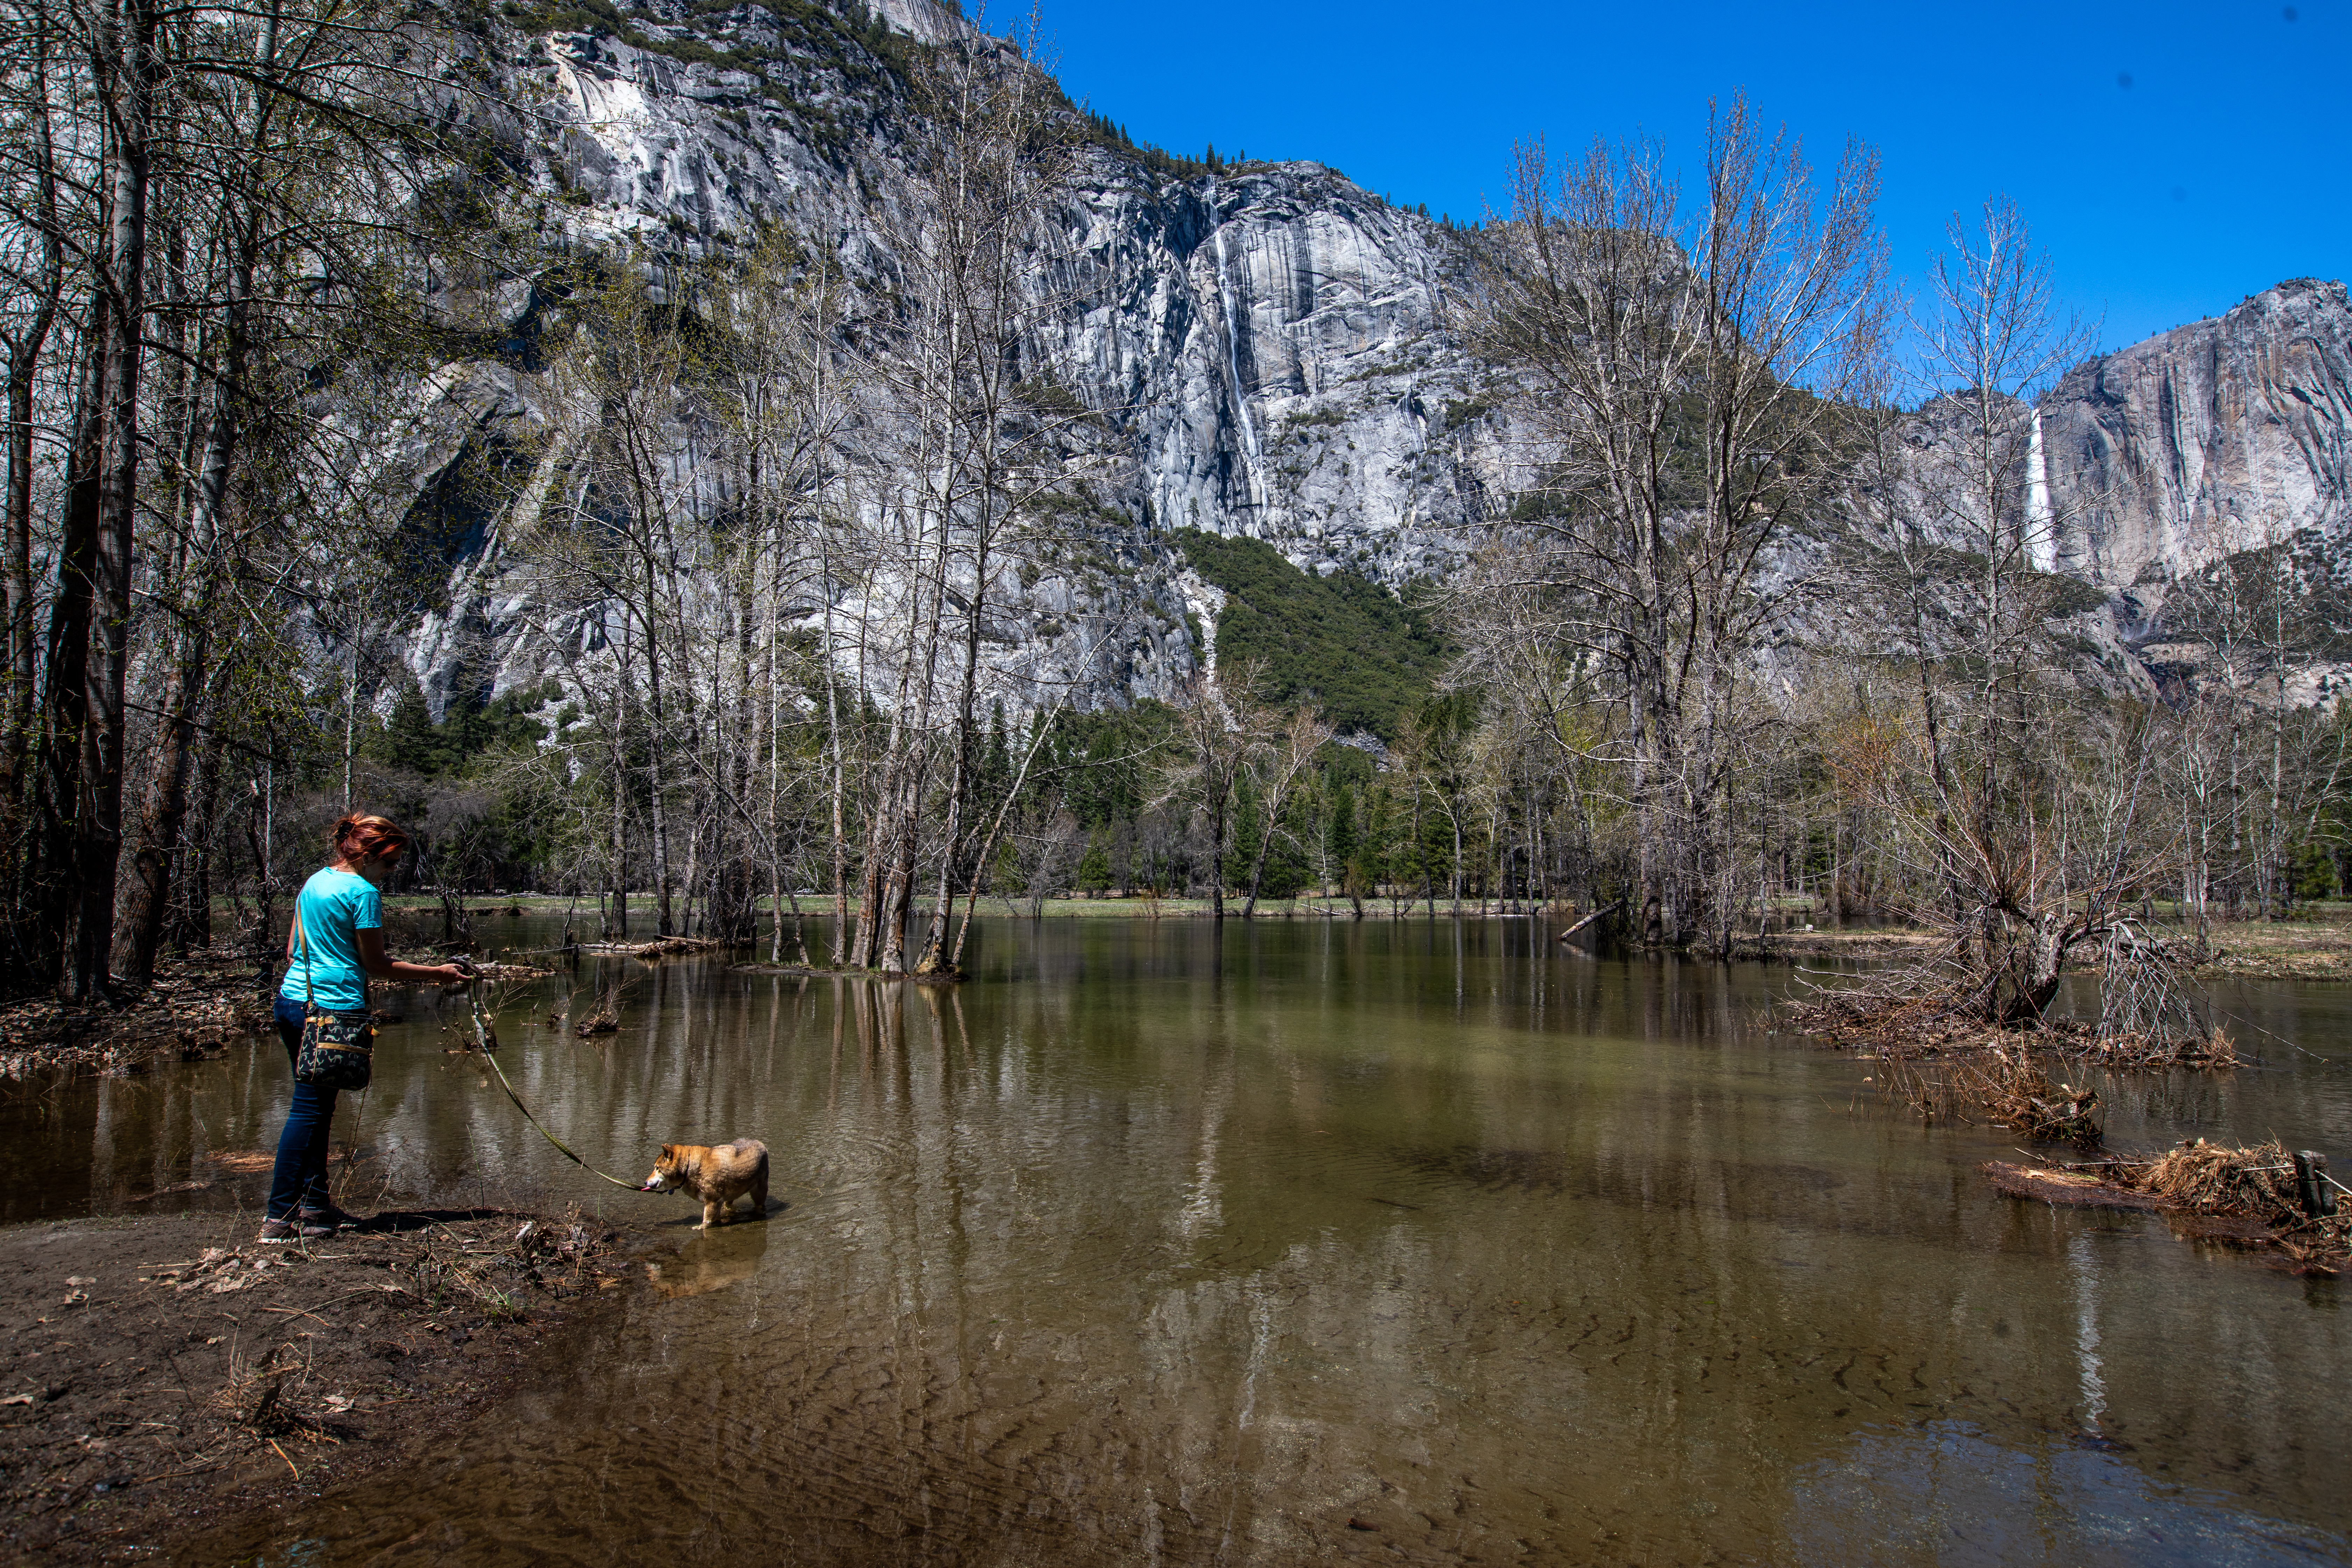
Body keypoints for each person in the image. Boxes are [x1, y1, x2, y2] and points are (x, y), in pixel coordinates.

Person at [261, 814, 468, 1242]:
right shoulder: (363, 892)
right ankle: (279, 1215)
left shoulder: (315, 882)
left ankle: (316, 1206)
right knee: (309, 1110)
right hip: (333, 1012)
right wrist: (440, 974)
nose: (391, 873)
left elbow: (291, 949)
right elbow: (378, 965)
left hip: (291, 1003)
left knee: (317, 1108)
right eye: (390, 864)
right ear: (370, 855)